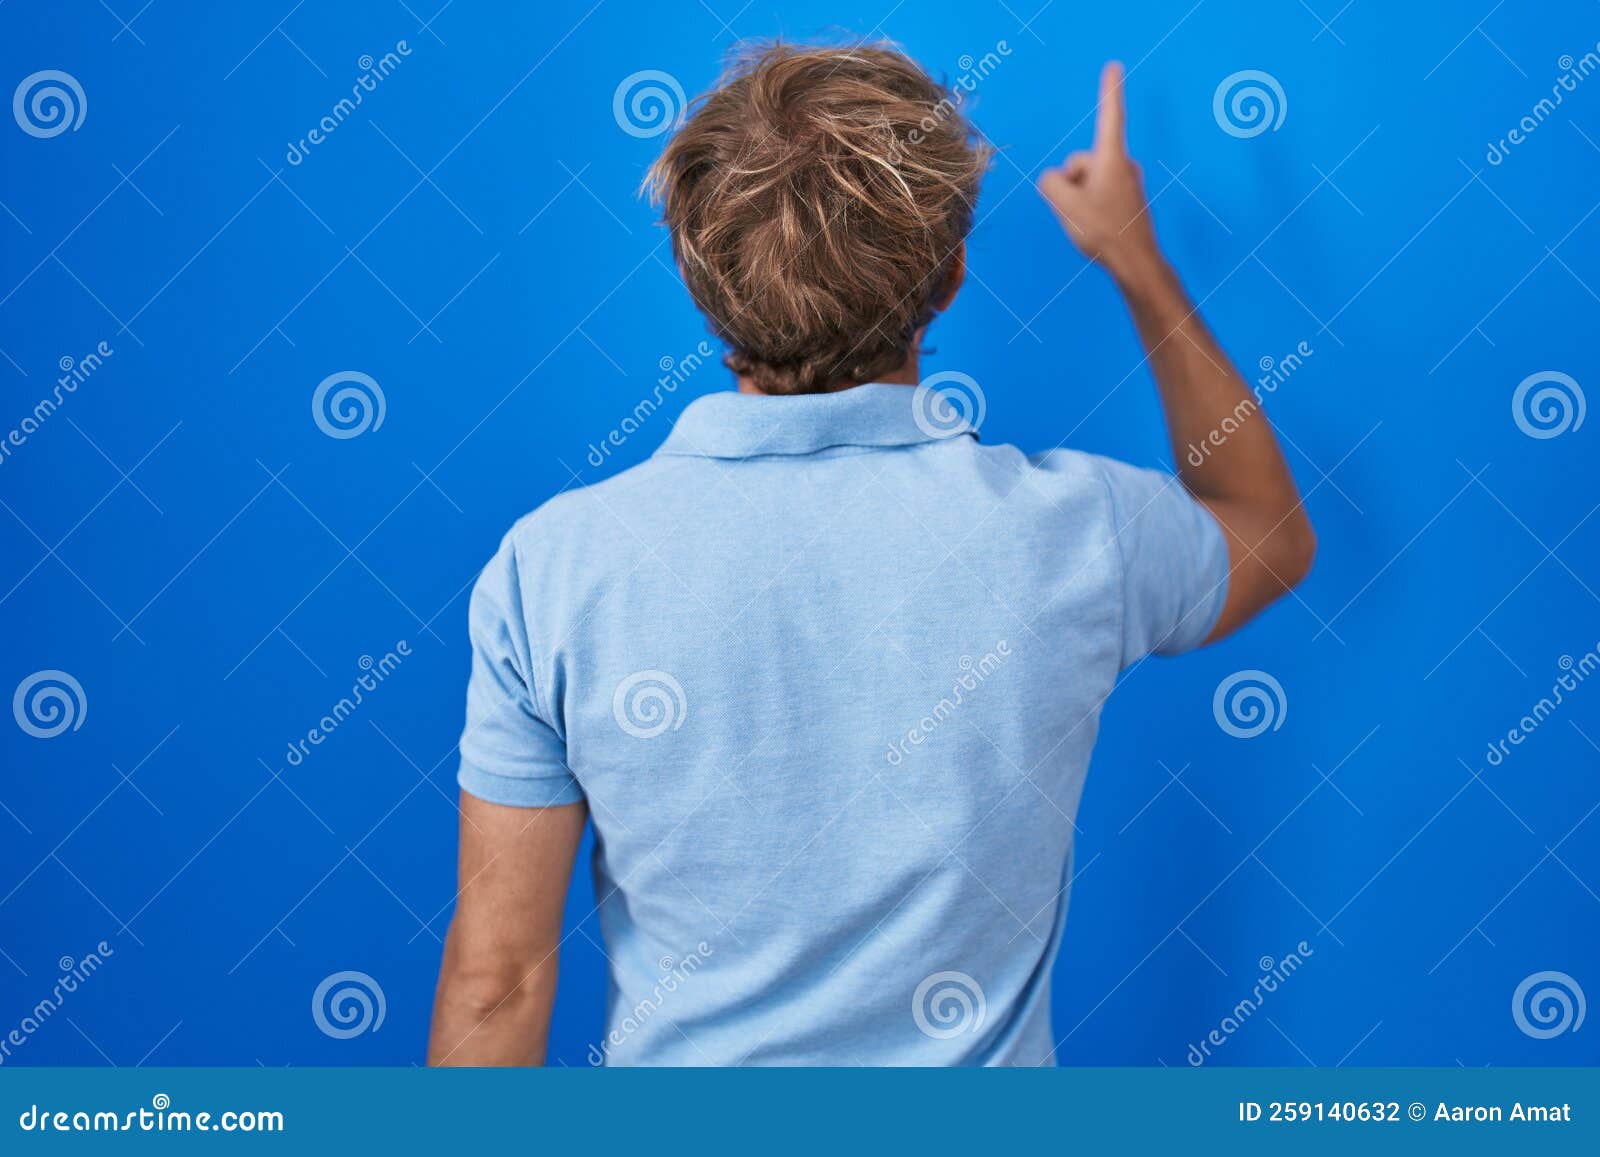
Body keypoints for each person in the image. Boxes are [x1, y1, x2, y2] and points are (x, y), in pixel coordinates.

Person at [428, 42, 1314, 1066]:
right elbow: (1265, 525)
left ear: (697, 269)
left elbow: (497, 980)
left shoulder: (554, 569)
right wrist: (1135, 260)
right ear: (949, 274)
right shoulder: (1081, 532)